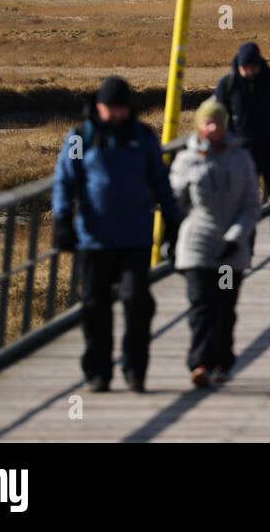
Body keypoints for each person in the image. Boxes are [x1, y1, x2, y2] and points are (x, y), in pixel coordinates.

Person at [52, 76, 181, 393]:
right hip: (93, 239)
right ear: (98, 106)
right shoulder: (82, 137)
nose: (115, 114)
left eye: (120, 108)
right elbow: (66, 181)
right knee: (94, 305)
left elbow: (160, 181)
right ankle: (98, 370)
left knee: (137, 302)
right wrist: (63, 219)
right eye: (109, 108)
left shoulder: (143, 137)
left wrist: (174, 223)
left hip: (135, 238)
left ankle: (135, 368)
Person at [169, 97, 261, 389]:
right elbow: (174, 202)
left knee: (223, 305)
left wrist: (236, 237)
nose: (212, 128)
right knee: (200, 304)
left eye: (217, 123)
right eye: (207, 123)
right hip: (197, 247)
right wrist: (170, 238)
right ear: (198, 126)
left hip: (227, 253)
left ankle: (221, 361)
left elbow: (251, 204)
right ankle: (199, 363)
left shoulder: (240, 159)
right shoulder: (186, 160)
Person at [214, 42, 270, 266]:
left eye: (252, 67)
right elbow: (215, 117)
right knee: (247, 206)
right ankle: (248, 249)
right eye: (245, 68)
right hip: (243, 158)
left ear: (259, 64)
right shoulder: (229, 85)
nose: (249, 72)